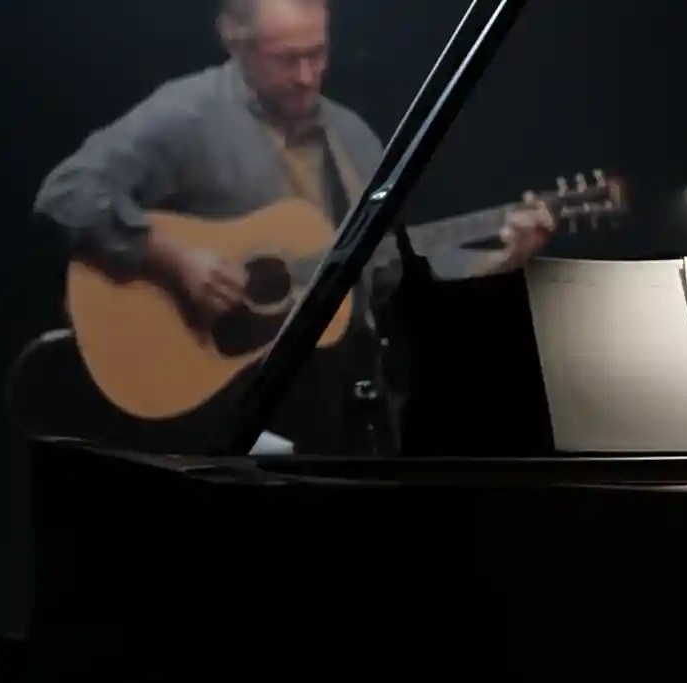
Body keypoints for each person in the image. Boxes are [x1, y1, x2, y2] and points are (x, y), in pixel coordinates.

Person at [33, 0, 554, 454]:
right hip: (221, 421)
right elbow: (66, 191)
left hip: (334, 426)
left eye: (317, 54)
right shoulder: (187, 115)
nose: (306, 76)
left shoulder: (353, 139)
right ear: (234, 40)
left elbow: (389, 271)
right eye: (285, 59)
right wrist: (173, 257)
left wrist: (501, 258)